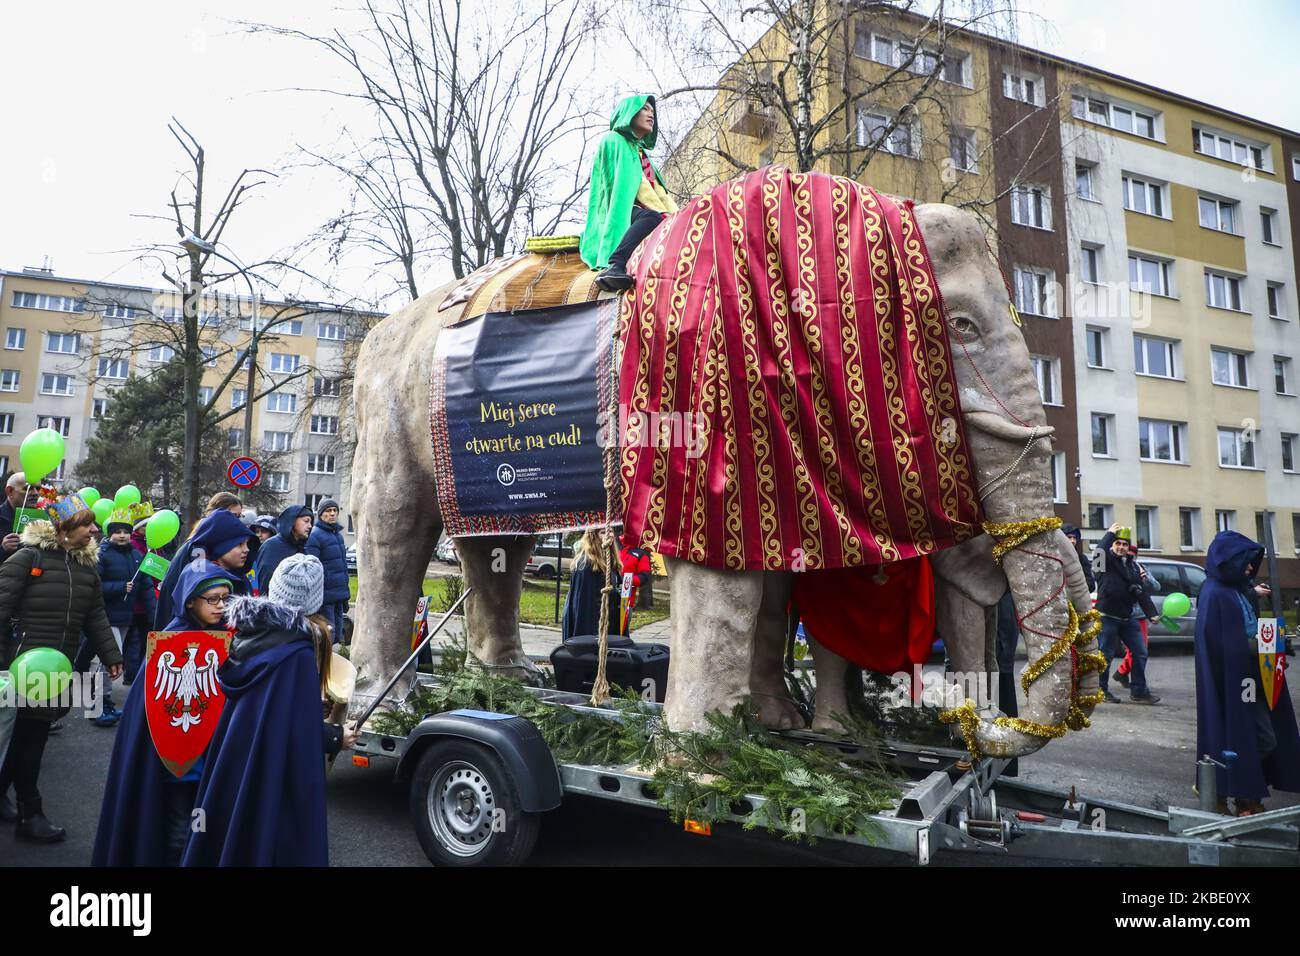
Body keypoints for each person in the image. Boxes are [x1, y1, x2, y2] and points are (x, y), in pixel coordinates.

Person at [182, 554, 358, 866]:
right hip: (273, 768)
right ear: (315, 600)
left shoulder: (249, 632)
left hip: (237, 755)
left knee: (236, 834)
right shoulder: (297, 652)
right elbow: (297, 728)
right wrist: (334, 736)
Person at [92, 560, 239, 865]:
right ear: (189, 600)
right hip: (180, 770)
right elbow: (150, 717)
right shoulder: (168, 647)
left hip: (213, 761)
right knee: (179, 835)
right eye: (212, 599)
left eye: (226, 599)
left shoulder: (227, 642)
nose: (221, 606)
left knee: (207, 832)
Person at [0, 491, 123, 841]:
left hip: (57, 666)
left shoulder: (86, 567)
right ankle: (31, 813)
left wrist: (111, 655)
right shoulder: (28, 558)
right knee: (29, 739)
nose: (94, 530)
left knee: (27, 737)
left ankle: (11, 799)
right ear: (66, 527)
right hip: (21, 667)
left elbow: (96, 615)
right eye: (87, 524)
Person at [1194, 530, 1300, 815]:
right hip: (1234, 682)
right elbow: (1228, 643)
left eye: (1252, 561)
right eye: (1245, 560)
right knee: (1250, 737)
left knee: (1258, 736)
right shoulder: (1215, 593)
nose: (1251, 567)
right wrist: (1273, 644)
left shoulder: (1235, 590)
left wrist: (1275, 645)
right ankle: (1232, 796)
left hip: (1252, 678)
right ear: (1227, 560)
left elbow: (1248, 629)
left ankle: (1246, 794)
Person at [579, 94, 678, 292]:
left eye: (653, 111)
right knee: (652, 217)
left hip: (644, 213)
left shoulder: (641, 154)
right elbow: (625, 186)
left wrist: (681, 217)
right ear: (629, 113)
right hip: (619, 212)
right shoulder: (613, 140)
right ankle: (615, 264)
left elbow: (659, 193)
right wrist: (663, 215)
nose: (651, 114)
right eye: (645, 109)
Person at [75, 512, 156, 725]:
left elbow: (145, 586)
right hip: (106, 617)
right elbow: (93, 586)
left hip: (126, 618)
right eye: (117, 532)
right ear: (109, 534)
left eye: (126, 532)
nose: (122, 536)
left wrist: (154, 616)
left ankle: (105, 701)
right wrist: (119, 587)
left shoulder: (137, 555)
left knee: (111, 660)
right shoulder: (101, 554)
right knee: (111, 659)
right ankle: (98, 704)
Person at [153, 508, 255, 628]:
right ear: (220, 547)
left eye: (247, 544)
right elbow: (169, 612)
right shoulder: (193, 568)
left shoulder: (240, 578)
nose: (246, 549)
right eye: (239, 544)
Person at [1094, 524, 1161, 704]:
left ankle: (1138, 691)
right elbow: (1098, 551)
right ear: (1112, 545)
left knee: (1140, 652)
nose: (1121, 547)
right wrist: (1109, 534)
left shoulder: (1132, 566)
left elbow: (1140, 592)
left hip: (1126, 617)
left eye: (1124, 544)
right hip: (1106, 616)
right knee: (1105, 655)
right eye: (1118, 543)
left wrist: (1151, 613)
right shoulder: (1103, 562)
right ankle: (1100, 690)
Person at [561, 532, 651, 640]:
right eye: (603, 532)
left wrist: (626, 582)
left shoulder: (638, 552)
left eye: (612, 531)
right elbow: (584, 604)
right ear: (593, 536)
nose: (610, 534)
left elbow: (645, 576)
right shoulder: (586, 564)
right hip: (596, 622)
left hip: (619, 608)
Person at [304, 499, 349, 644]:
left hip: (338, 596)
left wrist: (345, 594)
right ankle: (321, 666)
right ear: (321, 514)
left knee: (336, 637)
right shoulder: (315, 535)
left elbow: (342, 567)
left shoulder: (338, 536)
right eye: (328, 511)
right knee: (326, 636)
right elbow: (312, 568)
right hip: (325, 597)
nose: (332, 514)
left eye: (335, 510)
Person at [254, 504, 313, 596]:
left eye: (311, 522)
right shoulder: (271, 547)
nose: (310, 526)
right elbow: (264, 584)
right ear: (292, 521)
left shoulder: (302, 547)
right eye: (306, 521)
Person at [0, 472, 29, 563]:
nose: (35, 493)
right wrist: (3, 549)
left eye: (38, 489)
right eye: (28, 488)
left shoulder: (45, 520)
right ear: (10, 491)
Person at [1061, 524, 1096, 593]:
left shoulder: (1082, 558)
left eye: (1074, 538)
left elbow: (1091, 585)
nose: (1072, 541)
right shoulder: (1054, 557)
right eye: (1069, 537)